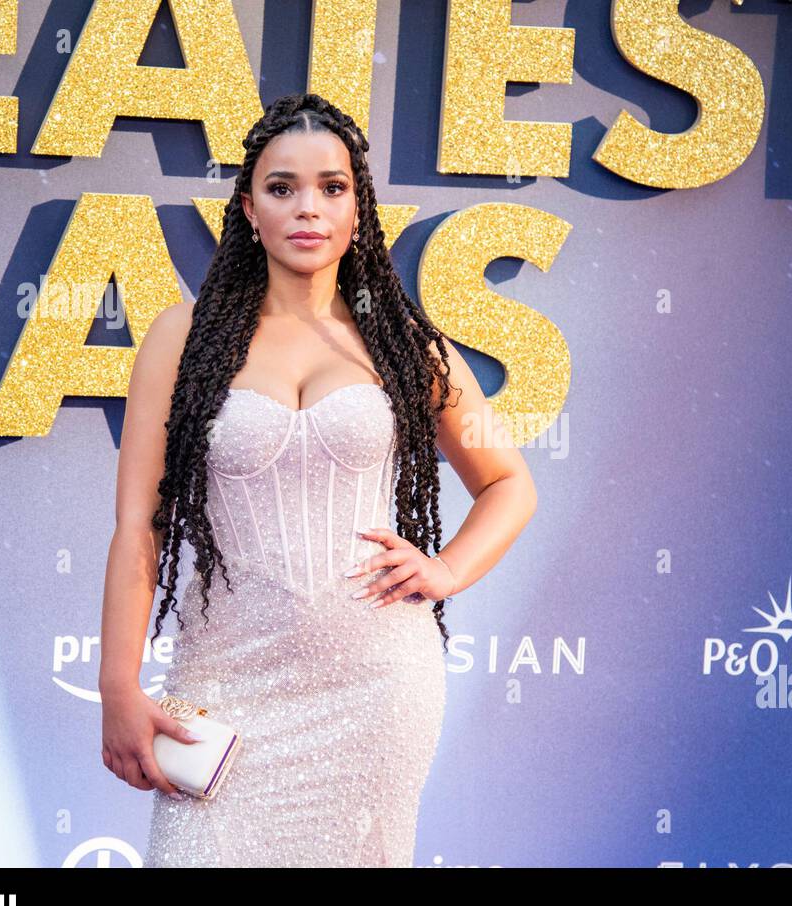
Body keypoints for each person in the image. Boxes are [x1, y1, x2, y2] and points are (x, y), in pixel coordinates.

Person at [97, 93, 537, 866]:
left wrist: (444, 569)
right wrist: (117, 685)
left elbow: (509, 484)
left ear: (358, 210)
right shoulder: (181, 337)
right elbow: (141, 525)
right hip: (227, 679)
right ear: (249, 210)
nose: (309, 207)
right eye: (282, 187)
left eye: (333, 187)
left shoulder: (405, 344)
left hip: (378, 686)